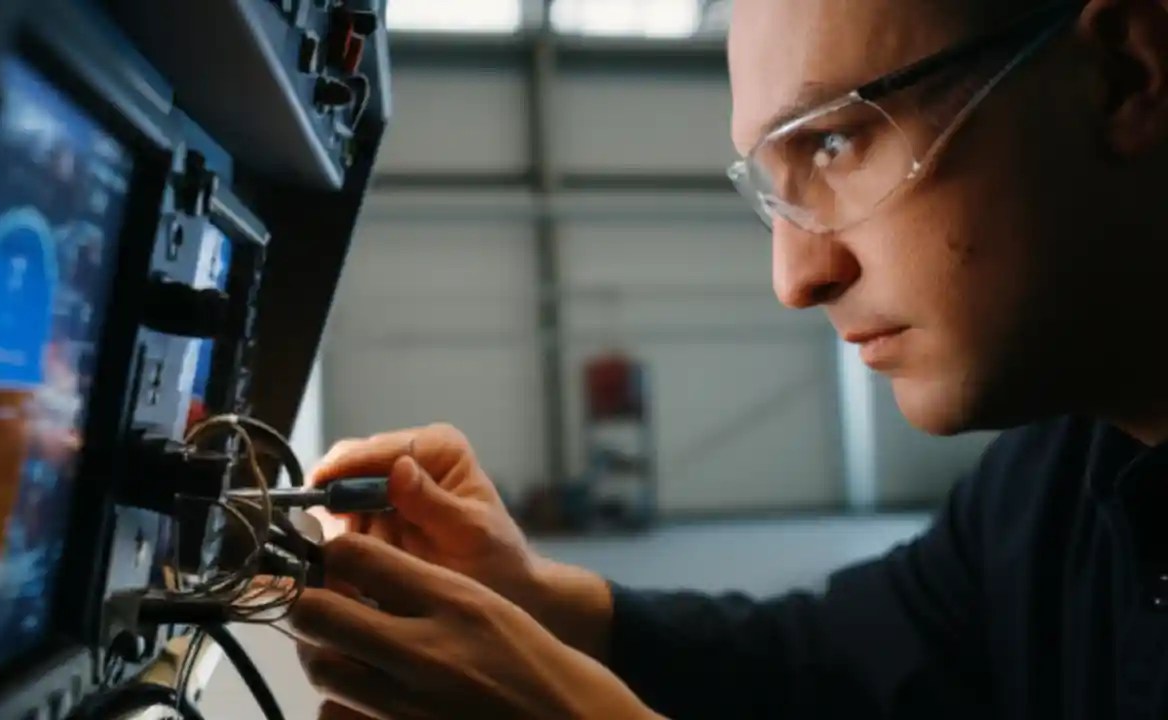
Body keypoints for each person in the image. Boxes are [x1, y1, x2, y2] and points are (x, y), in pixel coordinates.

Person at [287, 0, 1168, 717]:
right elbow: (836, 665)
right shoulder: (1056, 482)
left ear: (1125, 75)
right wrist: (537, 600)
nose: (795, 278)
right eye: (774, 184)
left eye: (835, 141)